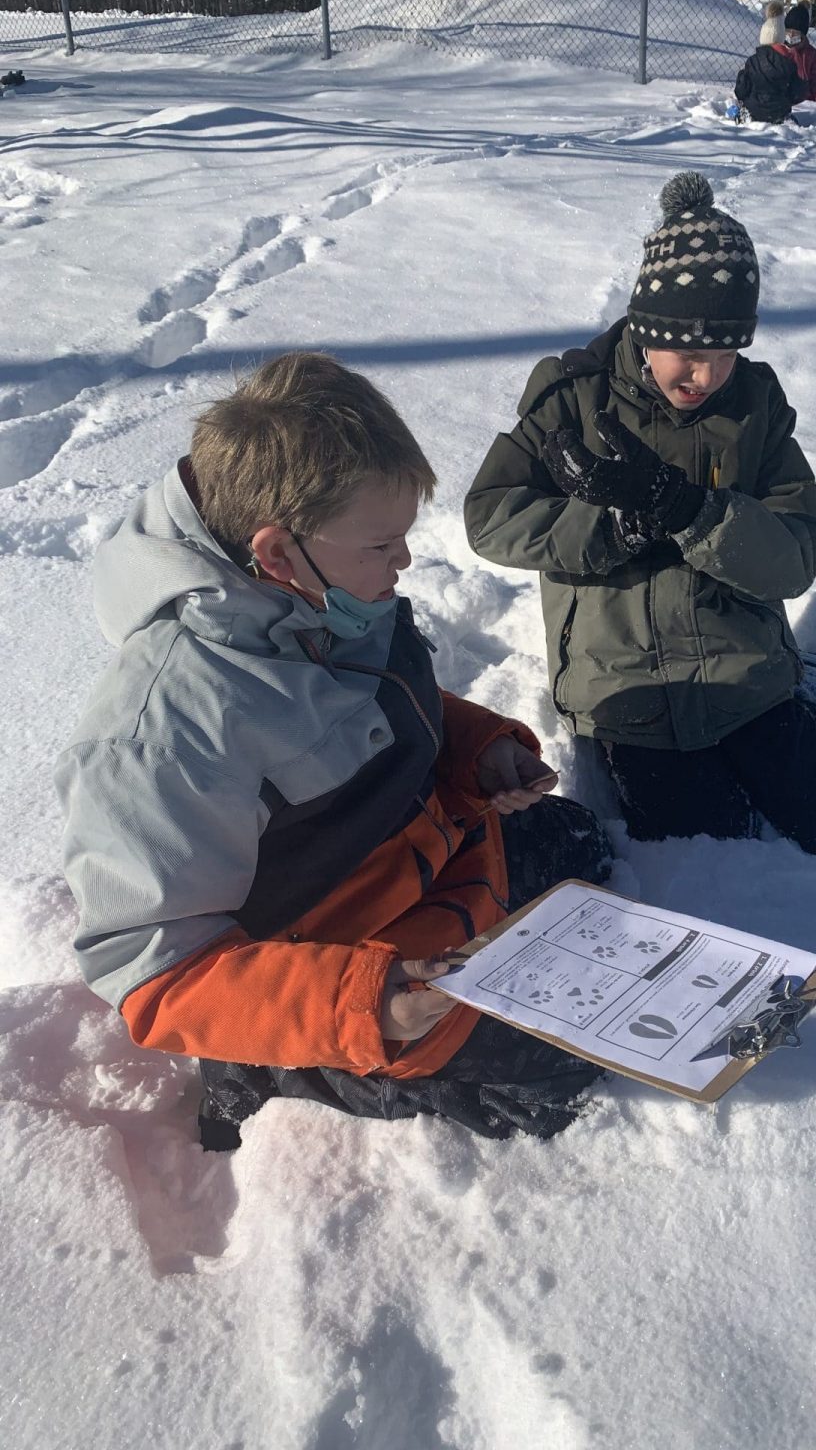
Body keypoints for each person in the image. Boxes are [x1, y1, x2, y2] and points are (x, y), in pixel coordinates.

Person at [55, 352, 613, 1145]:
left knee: (583, 844)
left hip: (426, 863)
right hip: (348, 970)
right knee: (566, 1073)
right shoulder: (161, 736)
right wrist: (365, 1005)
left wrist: (474, 750)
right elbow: (156, 970)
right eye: (383, 545)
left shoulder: (326, 592)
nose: (404, 562)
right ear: (278, 552)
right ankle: (281, 1068)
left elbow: (368, 711)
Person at [463, 173, 816, 859]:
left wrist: (691, 510)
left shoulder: (754, 407)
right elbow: (490, 518)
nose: (707, 376)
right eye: (690, 355)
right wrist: (609, 528)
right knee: (706, 845)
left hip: (744, 674)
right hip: (629, 688)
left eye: (725, 355)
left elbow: (794, 558)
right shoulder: (572, 400)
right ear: (645, 330)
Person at [733, 5, 807, 125]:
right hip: (779, 112)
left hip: (753, 111)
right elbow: (797, 93)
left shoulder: (752, 62)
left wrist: (742, 77)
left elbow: (741, 90)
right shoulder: (789, 64)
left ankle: (744, 118)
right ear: (782, 38)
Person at [783, 3, 816, 105]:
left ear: (803, 34)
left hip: (806, 102)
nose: (791, 35)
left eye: (795, 33)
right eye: (788, 31)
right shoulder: (781, 50)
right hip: (784, 101)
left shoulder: (810, 53)